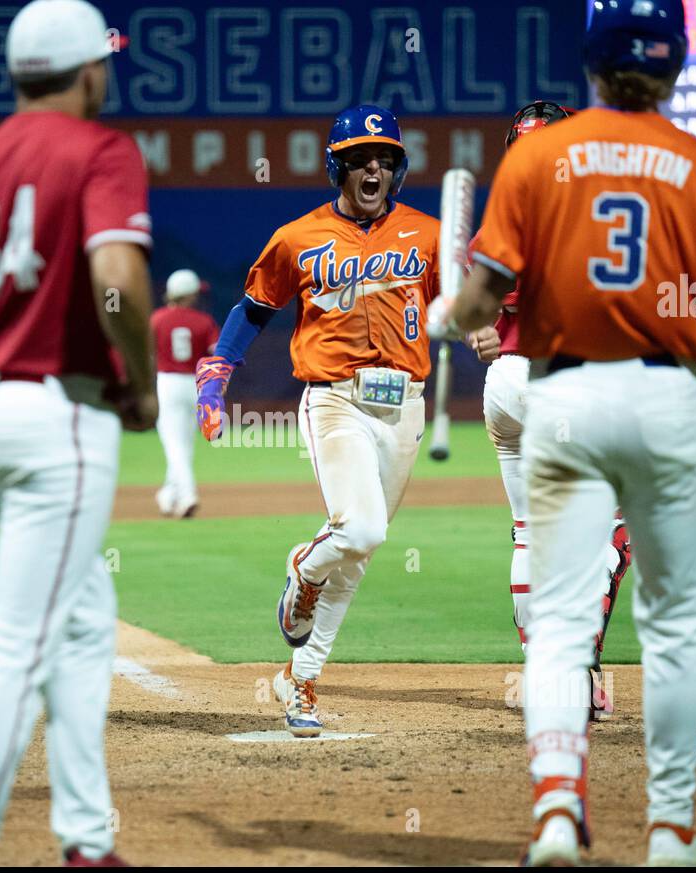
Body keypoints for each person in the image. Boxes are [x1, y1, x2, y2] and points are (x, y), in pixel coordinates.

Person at [447, 0, 696, 865]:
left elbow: (477, 299)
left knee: (562, 622)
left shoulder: (538, 160)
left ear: (593, 68)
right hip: (665, 402)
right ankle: (672, 835)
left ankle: (558, 820)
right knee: (677, 625)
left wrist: (443, 318)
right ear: (676, 68)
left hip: (562, 393)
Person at [0, 0, 156, 867]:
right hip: (63, 422)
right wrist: (141, 379)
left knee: (85, 621)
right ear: (88, 71)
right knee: (17, 651)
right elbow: (118, 277)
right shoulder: (101, 151)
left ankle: (86, 841)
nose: (108, 76)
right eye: (106, 63)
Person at [195, 104, 500, 737]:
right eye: (360, 157)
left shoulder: (426, 234)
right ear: (337, 165)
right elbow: (253, 308)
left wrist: (483, 332)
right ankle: (303, 567)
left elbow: (464, 304)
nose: (373, 167)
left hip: (404, 406)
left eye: (384, 158)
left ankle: (300, 681)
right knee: (359, 532)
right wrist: (217, 370)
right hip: (333, 398)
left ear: (397, 169)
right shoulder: (298, 236)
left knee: (357, 558)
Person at [466, 101, 631, 721]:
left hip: (506, 389)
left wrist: (481, 329)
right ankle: (579, 669)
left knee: (531, 533)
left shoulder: (497, 225)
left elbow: (480, 315)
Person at [150, 269, 218, 518]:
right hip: (198, 386)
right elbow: (217, 353)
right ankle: (168, 496)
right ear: (187, 295)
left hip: (167, 383)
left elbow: (146, 352)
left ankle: (188, 495)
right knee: (184, 444)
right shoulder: (204, 321)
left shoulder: (157, 319)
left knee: (174, 444)